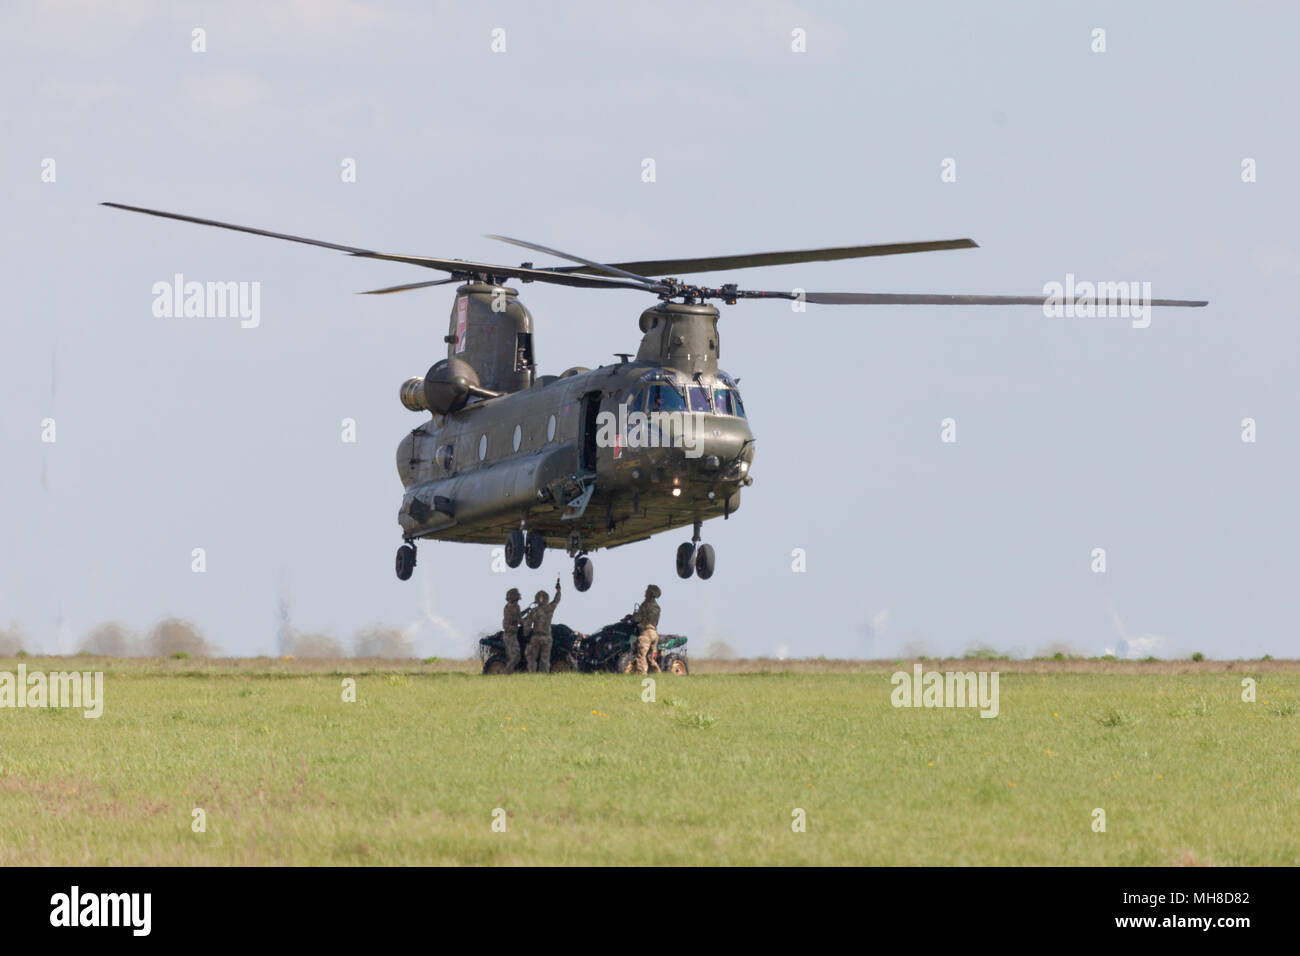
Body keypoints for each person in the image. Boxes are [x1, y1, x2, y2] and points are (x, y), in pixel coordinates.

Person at [524, 579, 561, 673]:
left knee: (532, 658)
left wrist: (526, 633)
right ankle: (544, 676)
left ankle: (532, 674)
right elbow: (556, 600)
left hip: (536, 637)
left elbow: (527, 624)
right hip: (547, 637)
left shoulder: (534, 611)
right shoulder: (550, 608)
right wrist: (558, 591)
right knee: (545, 659)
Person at [633, 584, 662, 675]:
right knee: (651, 658)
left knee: (641, 656)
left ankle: (641, 675)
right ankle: (658, 674)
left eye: (647, 591)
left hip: (646, 633)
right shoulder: (656, 606)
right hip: (654, 633)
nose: (645, 593)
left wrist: (634, 616)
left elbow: (637, 618)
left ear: (650, 593)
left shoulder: (646, 605)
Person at [501, 588, 522, 673]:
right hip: (510, 634)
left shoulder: (510, 606)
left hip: (510, 634)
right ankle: (506, 672)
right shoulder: (513, 607)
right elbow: (518, 620)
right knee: (516, 657)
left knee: (514, 656)